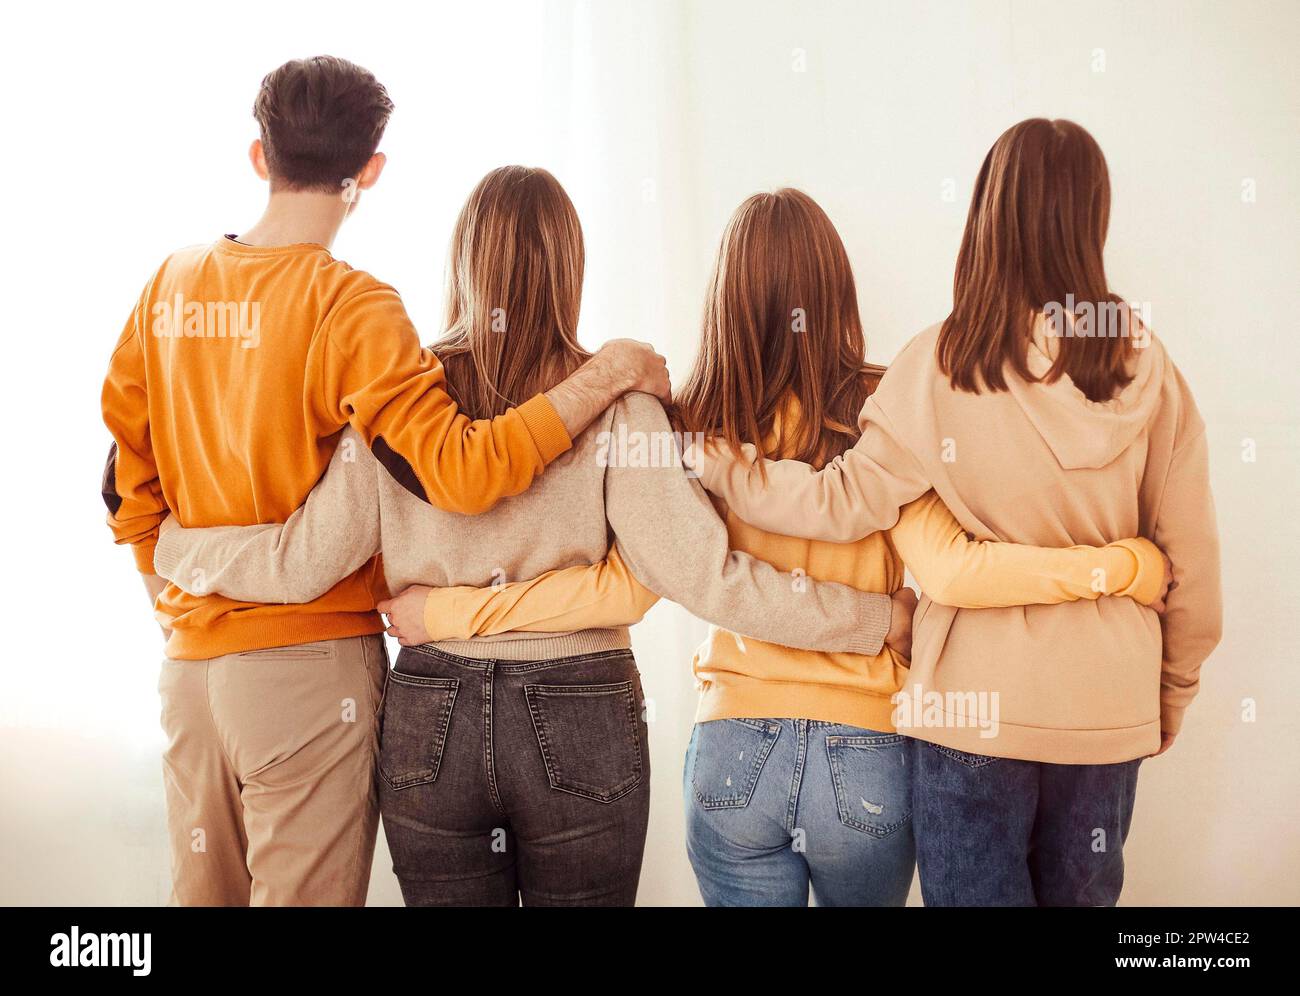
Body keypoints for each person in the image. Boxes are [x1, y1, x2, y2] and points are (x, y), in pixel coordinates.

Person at [380, 187, 1172, 907]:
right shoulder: (887, 407)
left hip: (733, 749)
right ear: (838, 291)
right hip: (868, 755)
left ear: (722, 302)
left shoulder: (686, 421)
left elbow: (656, 581)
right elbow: (943, 562)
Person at [153, 165, 913, 906]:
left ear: (463, 263)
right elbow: (707, 579)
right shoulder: (620, 406)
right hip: (582, 711)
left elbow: (300, 561)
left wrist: (176, 548)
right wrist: (878, 621)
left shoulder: (397, 403)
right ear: (569, 269)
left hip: (432, 718)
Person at [99, 56, 667, 908]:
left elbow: (123, 489)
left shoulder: (168, 288)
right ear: (370, 171)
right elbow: (464, 472)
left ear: (260, 155)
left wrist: (180, 602)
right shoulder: (354, 309)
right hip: (303, 674)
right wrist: (600, 377)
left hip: (189, 675)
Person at [682, 121, 1223, 906]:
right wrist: (1171, 692)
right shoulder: (1148, 367)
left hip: (967, 722)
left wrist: (732, 469)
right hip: (1107, 710)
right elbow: (1193, 566)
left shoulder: (937, 365)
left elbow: (839, 501)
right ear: (1093, 220)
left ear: (985, 215)